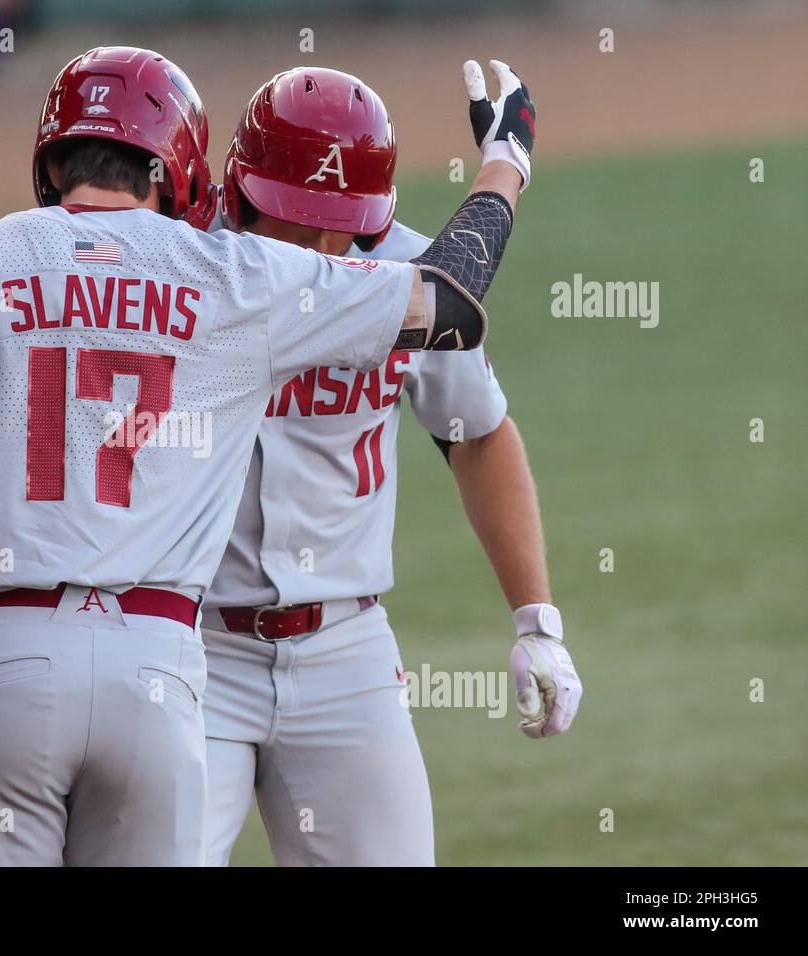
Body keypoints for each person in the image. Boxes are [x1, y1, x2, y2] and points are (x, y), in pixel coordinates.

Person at [0, 46, 533, 865]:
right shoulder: (231, 275)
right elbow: (451, 299)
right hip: (158, 671)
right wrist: (505, 164)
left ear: (50, 161)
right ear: (184, 170)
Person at [201, 66, 582, 867]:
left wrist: (536, 620)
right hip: (191, 650)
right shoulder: (184, 272)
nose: (322, 247)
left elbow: (477, 434)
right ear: (239, 194)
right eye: (297, 222)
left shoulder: (405, 272)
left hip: (347, 654)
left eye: (342, 225)